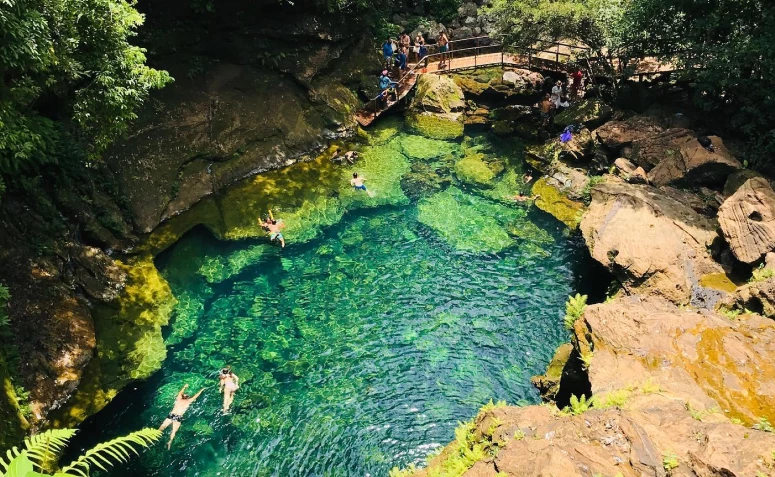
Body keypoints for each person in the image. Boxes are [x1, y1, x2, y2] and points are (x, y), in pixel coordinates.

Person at [159, 384, 206, 450]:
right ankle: (169, 442)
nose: (186, 395)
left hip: (172, 415)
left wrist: (184, 387)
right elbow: (195, 396)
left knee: (163, 427)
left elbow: (181, 393)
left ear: (184, 396)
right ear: (187, 397)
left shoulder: (179, 399)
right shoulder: (188, 401)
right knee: (173, 431)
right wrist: (201, 390)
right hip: (178, 417)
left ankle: (161, 439)